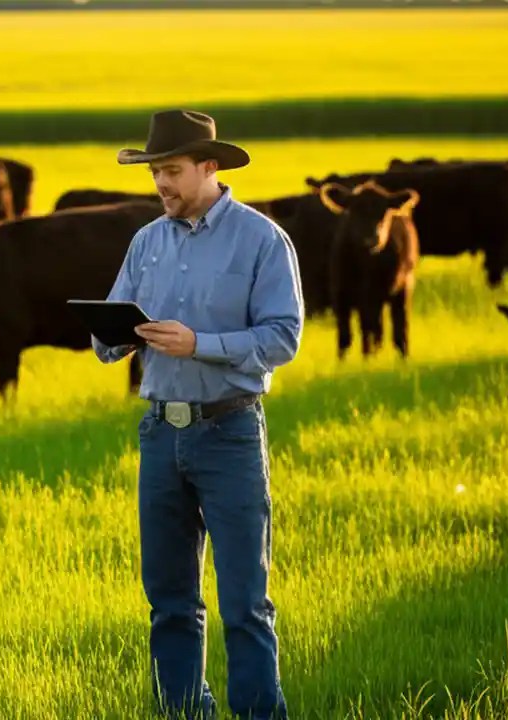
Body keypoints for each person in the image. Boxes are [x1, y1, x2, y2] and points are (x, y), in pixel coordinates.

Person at [94, 109, 304, 720]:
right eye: (156, 172)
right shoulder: (146, 241)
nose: (162, 184)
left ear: (209, 168)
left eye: (173, 172)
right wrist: (113, 334)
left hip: (231, 431)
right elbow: (107, 339)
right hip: (160, 433)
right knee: (169, 601)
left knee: (245, 603)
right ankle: (187, 714)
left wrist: (200, 343)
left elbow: (283, 337)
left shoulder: (261, 239)